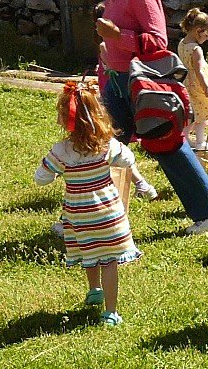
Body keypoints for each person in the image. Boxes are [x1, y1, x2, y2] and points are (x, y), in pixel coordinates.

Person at [77, 0, 208, 235]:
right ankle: (89, 218)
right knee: (102, 148)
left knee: (165, 144)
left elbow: (158, 42)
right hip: (118, 83)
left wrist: (116, 35)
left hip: (142, 84)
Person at [35, 80, 141, 327]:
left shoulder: (61, 150)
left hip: (79, 214)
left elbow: (41, 179)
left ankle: (94, 288)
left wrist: (51, 172)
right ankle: (111, 311)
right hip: (108, 213)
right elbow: (128, 159)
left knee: (89, 250)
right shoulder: (107, 146)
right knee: (109, 260)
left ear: (64, 118)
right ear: (99, 114)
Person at [178, 8, 208, 150]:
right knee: (201, 114)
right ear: (198, 31)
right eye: (206, 35)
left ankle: (194, 140)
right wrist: (206, 88)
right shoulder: (196, 49)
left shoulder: (182, 43)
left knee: (194, 114)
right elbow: (199, 70)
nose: (206, 39)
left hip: (186, 82)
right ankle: (192, 140)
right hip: (197, 85)